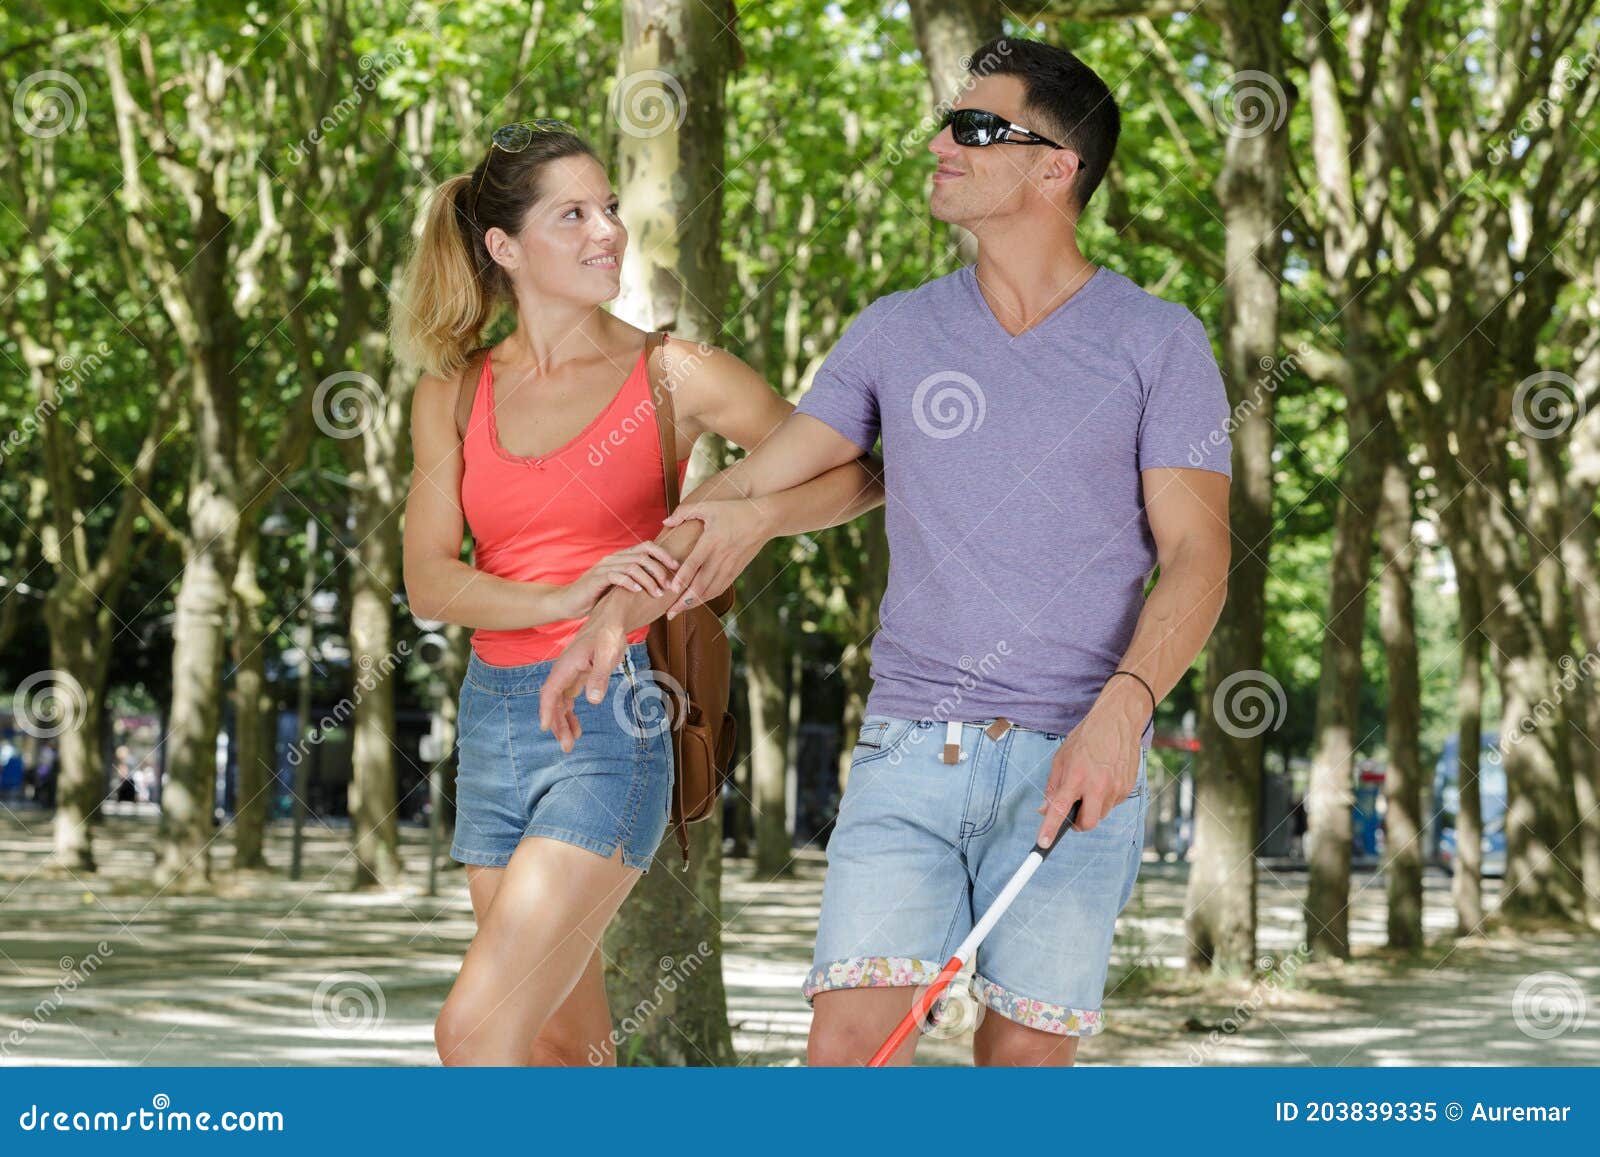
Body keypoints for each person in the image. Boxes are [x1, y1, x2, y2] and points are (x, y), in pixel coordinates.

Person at [541, 38, 1232, 1067]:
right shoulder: (896, 332)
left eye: (978, 127)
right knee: (851, 1052)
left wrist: (1121, 713)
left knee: (1022, 1066)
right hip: (910, 751)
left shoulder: (1157, 341)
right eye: (947, 120)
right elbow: (751, 482)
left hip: (1077, 757)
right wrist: (612, 613)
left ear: (1057, 168)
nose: (942, 142)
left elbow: (1196, 554)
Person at [395, 119, 885, 1067]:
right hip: (494, 722)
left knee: (471, 1031)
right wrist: (565, 592)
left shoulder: (675, 374)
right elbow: (429, 579)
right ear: (504, 247)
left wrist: (753, 518)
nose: (607, 230)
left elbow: (858, 472)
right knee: (562, 1045)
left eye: (610, 207)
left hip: (613, 719)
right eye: (572, 213)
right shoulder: (452, 395)